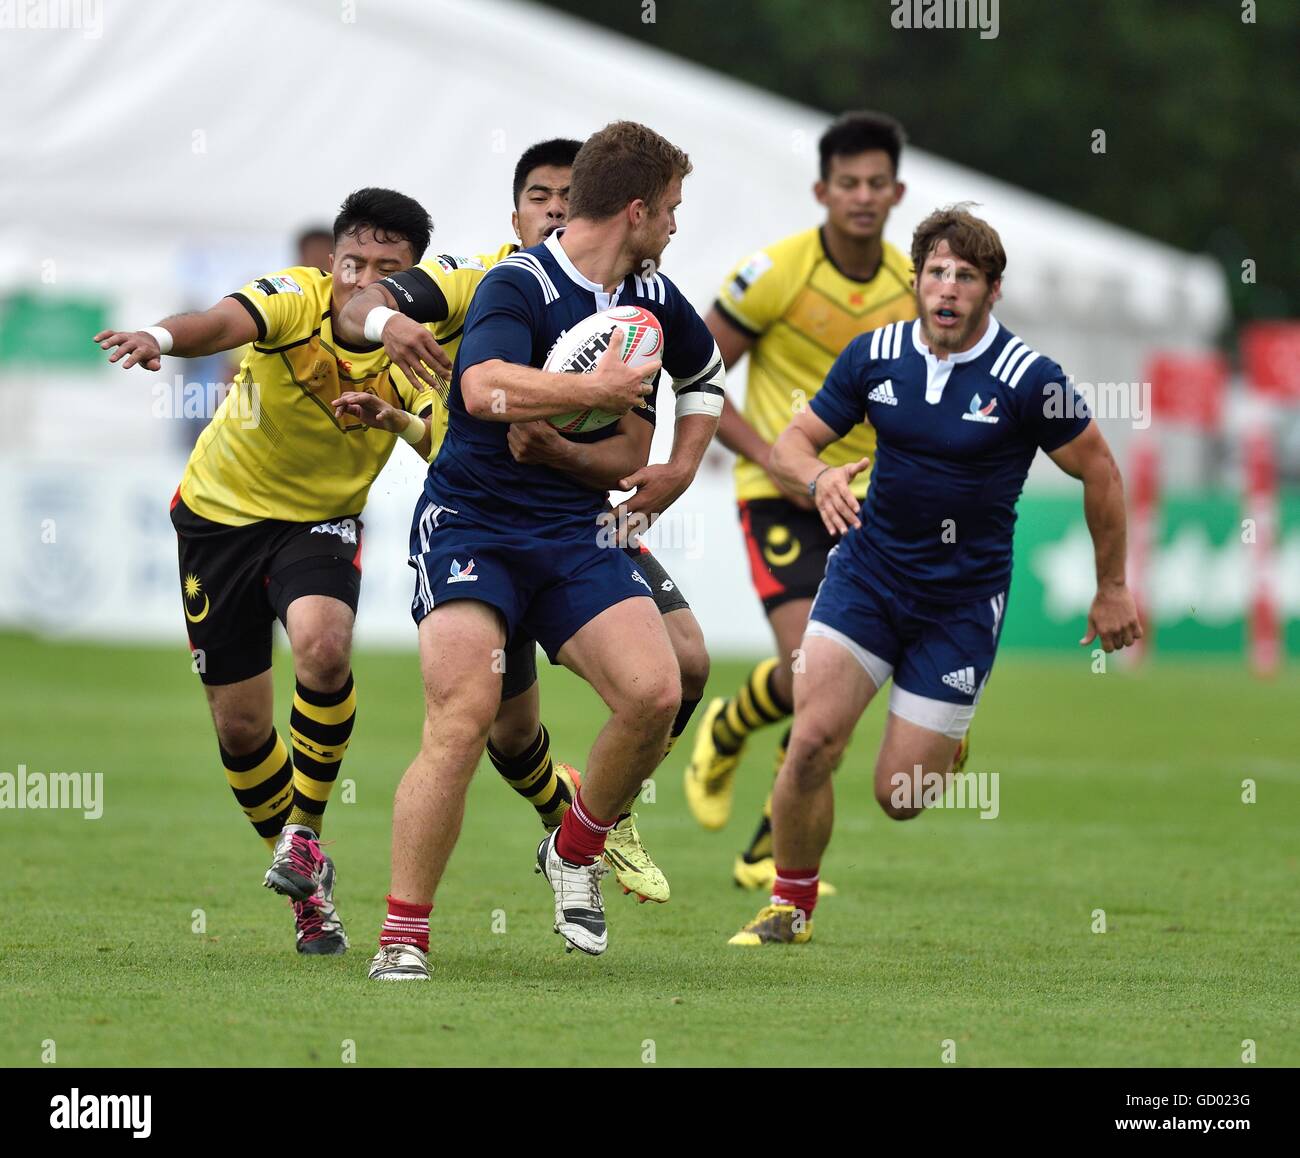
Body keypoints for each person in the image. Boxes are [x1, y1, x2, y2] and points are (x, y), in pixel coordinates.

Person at [363, 121, 725, 980]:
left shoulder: (652, 292)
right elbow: (482, 388)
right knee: (462, 719)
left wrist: (679, 467)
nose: (676, 225)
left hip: (573, 529)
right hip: (473, 524)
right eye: (671, 210)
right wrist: (593, 388)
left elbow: (704, 379)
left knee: (656, 690)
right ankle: (403, 938)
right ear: (635, 210)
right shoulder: (517, 284)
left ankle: (575, 847)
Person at [729, 205, 1142, 945]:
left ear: (993, 291)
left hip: (958, 606)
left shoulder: (1028, 377)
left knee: (899, 797)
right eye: (937, 273)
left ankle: (947, 745)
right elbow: (792, 443)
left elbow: (1101, 471)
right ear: (916, 281)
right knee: (813, 741)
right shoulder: (873, 355)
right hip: (867, 576)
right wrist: (816, 476)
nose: (948, 288)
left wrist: (1111, 586)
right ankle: (789, 905)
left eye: (967, 276)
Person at [92, 189, 442, 955]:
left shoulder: (425, 341)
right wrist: (157, 336)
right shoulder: (295, 296)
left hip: (320, 519)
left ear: (413, 281)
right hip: (217, 519)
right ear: (333, 259)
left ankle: (304, 837)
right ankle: (308, 898)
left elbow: (448, 447)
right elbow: (218, 322)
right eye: (355, 262)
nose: (364, 280)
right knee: (241, 724)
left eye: (388, 270)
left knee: (322, 645)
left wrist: (398, 419)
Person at [681, 112, 932, 895]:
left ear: (898, 192)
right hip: (781, 494)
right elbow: (698, 377)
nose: (862, 197)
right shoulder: (775, 272)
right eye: (847, 183)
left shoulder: (913, 286)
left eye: (876, 184)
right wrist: (772, 461)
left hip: (871, 505)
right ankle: (754, 812)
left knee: (836, 685)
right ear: (823, 190)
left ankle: (739, 750)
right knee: (813, 672)